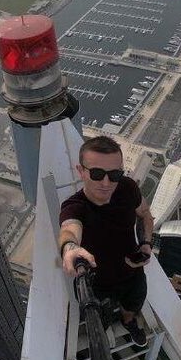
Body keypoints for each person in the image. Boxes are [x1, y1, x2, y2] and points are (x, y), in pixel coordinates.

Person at [58, 136, 154, 346]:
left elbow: (145, 214)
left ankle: (128, 322)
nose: (106, 182)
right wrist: (70, 248)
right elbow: (69, 229)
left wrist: (147, 244)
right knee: (98, 319)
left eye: (114, 174)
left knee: (133, 307)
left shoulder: (127, 188)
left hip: (131, 272)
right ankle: (105, 324)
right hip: (95, 282)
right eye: (97, 173)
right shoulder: (75, 206)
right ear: (81, 171)